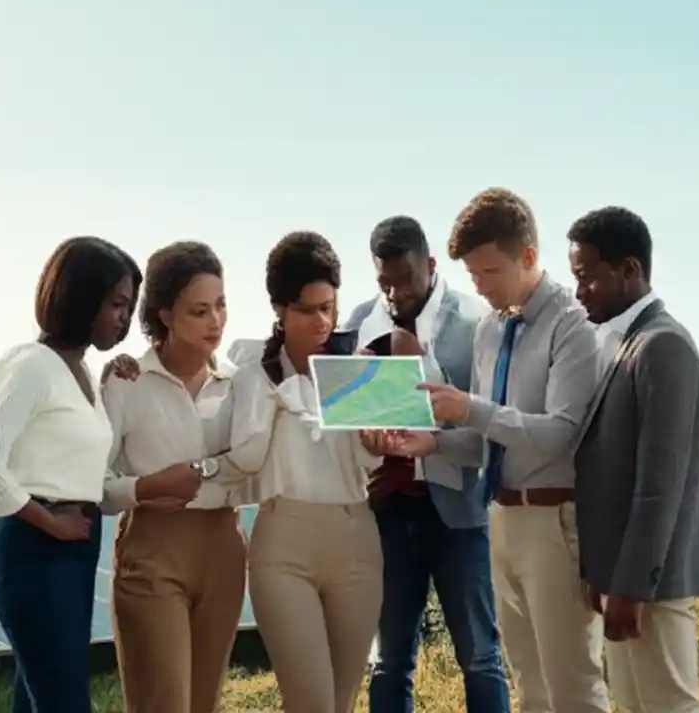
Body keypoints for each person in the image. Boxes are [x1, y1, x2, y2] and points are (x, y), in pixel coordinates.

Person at [397, 188, 610, 713]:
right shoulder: (490, 330)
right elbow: (491, 436)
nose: (479, 286)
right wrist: (432, 443)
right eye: (472, 275)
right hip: (502, 520)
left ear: (530, 257)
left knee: (572, 687)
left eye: (489, 272)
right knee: (528, 688)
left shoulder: (573, 326)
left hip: (554, 522)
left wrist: (467, 409)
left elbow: (561, 432)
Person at [0, 236, 141, 713]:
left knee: (38, 700)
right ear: (80, 298)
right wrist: (51, 522)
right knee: (64, 703)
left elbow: (81, 470)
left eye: (128, 306)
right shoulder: (32, 366)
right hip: (35, 550)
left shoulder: (81, 371)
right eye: (116, 304)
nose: (124, 317)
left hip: (76, 548)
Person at [220, 231, 397, 713]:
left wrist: (374, 444)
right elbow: (246, 457)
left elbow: (371, 463)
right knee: (311, 705)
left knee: (340, 703)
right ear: (279, 308)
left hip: (355, 539)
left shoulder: (358, 370)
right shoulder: (254, 374)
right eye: (307, 309)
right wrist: (276, 397)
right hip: (284, 545)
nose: (321, 320)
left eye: (329, 307)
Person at [343, 215, 509, 713]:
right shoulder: (360, 320)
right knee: (390, 659)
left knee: (480, 656)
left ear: (431, 266)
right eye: (384, 282)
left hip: (456, 512)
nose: (394, 293)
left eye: (405, 279)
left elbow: (487, 432)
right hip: (388, 511)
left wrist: (423, 372)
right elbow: (351, 414)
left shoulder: (476, 322)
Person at [566, 206, 699, 713]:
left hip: (652, 582)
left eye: (587, 277)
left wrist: (631, 587)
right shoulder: (624, 342)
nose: (578, 291)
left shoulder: (662, 347)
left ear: (630, 271)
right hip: (624, 577)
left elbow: (660, 485)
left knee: (669, 705)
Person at [100, 241, 248, 713]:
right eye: (199, 310)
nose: (216, 322)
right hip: (153, 551)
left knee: (204, 704)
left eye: (221, 305)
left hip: (225, 550)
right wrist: (144, 489)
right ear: (165, 314)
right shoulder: (126, 382)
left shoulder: (239, 383)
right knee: (162, 703)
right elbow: (95, 487)